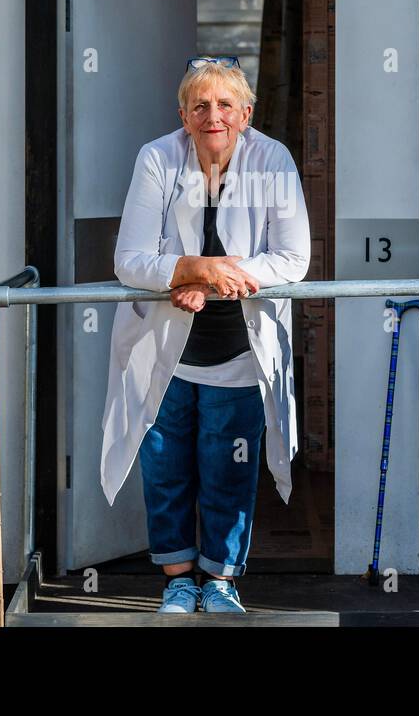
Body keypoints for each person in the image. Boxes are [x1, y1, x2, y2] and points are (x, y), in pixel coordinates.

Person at [102, 56, 311, 613]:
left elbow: (293, 257)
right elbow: (130, 260)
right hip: (165, 347)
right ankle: (177, 579)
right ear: (183, 114)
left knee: (229, 464)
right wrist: (193, 269)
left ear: (246, 114)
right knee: (166, 464)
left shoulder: (274, 159)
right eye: (199, 105)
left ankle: (220, 580)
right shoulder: (157, 158)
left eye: (224, 105)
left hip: (241, 348)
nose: (211, 115)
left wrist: (214, 278)